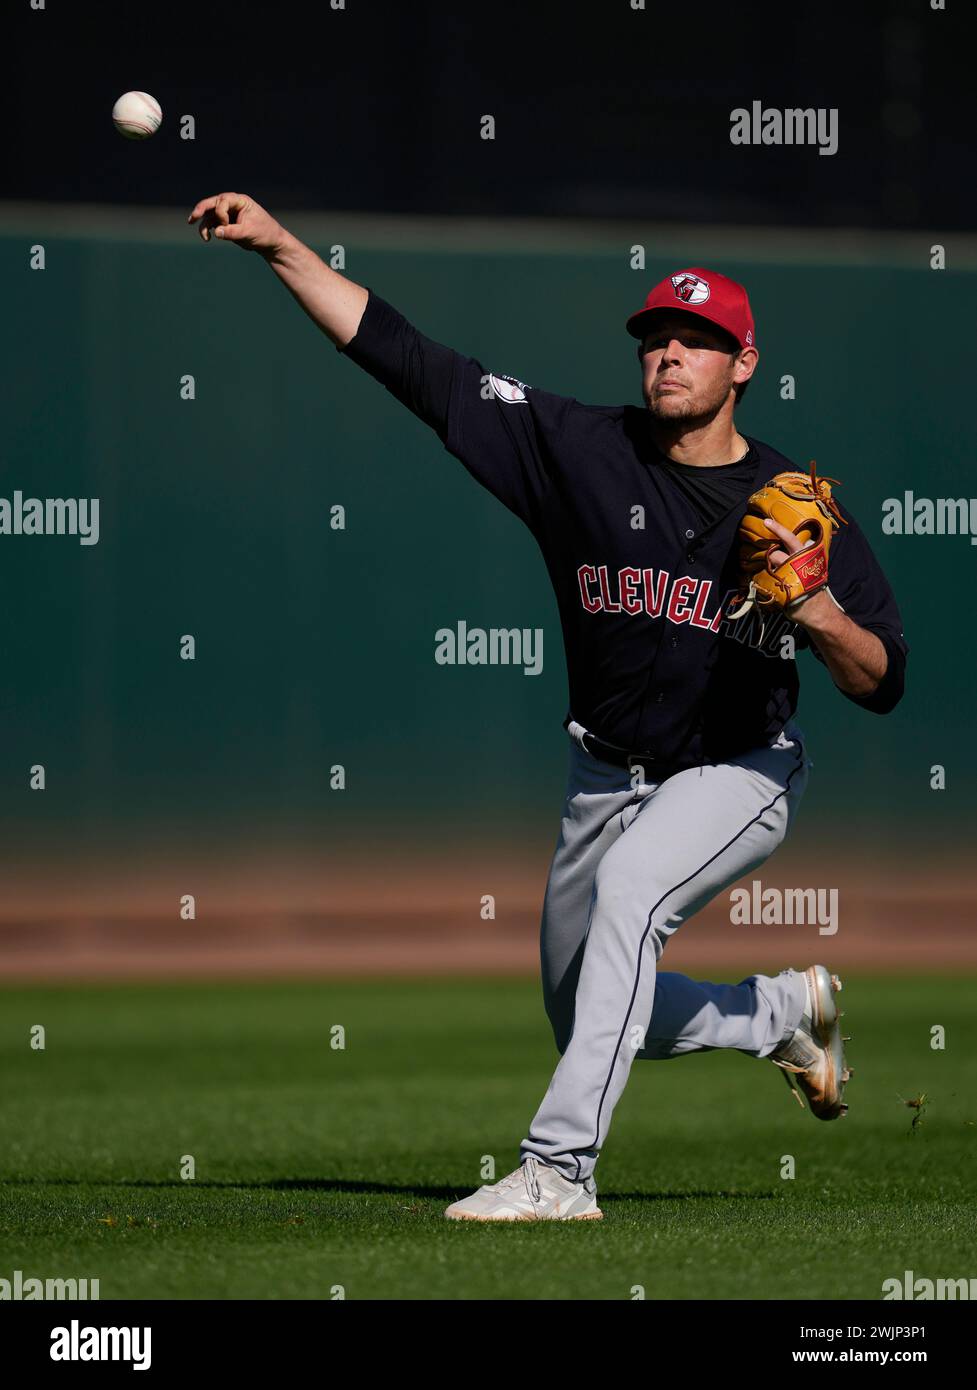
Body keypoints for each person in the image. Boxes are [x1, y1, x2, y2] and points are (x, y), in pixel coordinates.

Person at [188, 194, 908, 1223]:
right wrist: (280, 248)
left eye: (696, 341)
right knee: (588, 1008)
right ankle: (779, 1010)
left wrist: (819, 612)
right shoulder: (578, 448)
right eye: (655, 336)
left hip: (739, 769)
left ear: (741, 365)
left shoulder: (793, 504)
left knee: (630, 900)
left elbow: (881, 682)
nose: (668, 354)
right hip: (599, 772)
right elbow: (409, 360)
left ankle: (558, 1171)